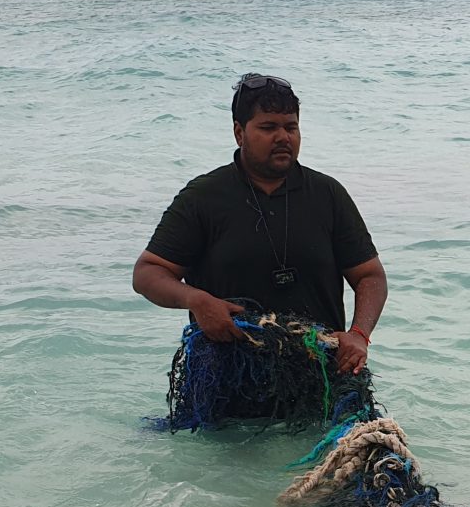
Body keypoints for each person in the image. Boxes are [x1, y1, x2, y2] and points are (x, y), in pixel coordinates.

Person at [132, 73, 386, 375]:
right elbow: (148, 272)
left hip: (320, 374)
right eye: (268, 127)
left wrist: (359, 334)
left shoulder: (327, 194)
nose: (283, 137)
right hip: (226, 375)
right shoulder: (203, 197)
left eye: (291, 127)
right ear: (239, 133)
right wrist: (196, 300)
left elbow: (370, 276)